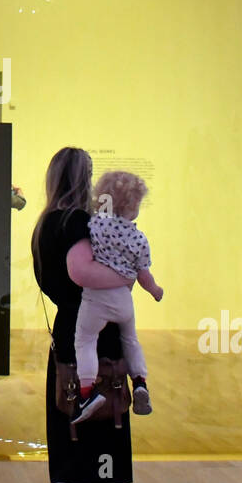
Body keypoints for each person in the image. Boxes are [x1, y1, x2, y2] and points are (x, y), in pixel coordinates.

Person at [31, 146, 136, 483]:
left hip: (68, 333)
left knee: (81, 445)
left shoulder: (46, 222)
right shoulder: (75, 222)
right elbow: (81, 272)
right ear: (83, 177)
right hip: (92, 336)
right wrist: (126, 277)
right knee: (85, 455)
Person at [74, 170, 162, 424]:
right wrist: (156, 291)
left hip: (95, 300)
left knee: (86, 341)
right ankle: (140, 382)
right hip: (123, 300)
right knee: (131, 340)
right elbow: (144, 277)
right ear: (133, 206)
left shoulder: (95, 225)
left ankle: (87, 392)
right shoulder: (139, 239)